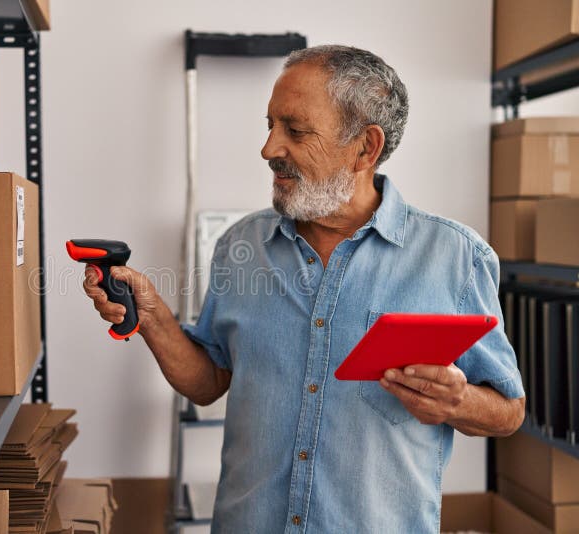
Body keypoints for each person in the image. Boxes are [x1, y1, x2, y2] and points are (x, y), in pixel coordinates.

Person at [81, 45, 525, 533]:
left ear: (365, 148)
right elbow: (209, 383)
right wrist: (154, 319)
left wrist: (458, 402)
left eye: (294, 130)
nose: (269, 148)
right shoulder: (241, 246)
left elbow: (508, 411)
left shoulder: (454, 258)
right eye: (269, 125)